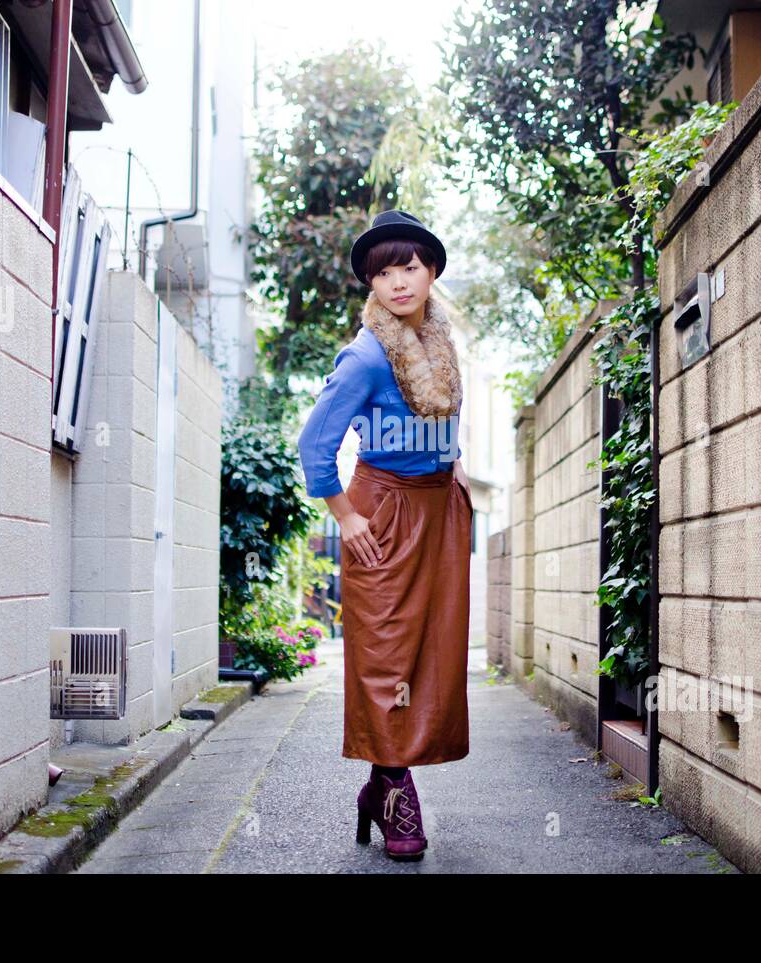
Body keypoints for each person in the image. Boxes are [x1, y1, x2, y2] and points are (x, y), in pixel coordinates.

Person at [297, 209, 473, 861]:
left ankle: (378, 785)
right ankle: (397, 792)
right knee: (386, 657)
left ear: (430, 272)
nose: (399, 281)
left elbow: (445, 422)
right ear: (370, 283)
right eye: (384, 271)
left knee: (432, 653)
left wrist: (450, 463)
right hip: (385, 514)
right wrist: (346, 514)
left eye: (411, 266)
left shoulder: (440, 343)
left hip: (437, 510)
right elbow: (316, 442)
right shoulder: (367, 353)